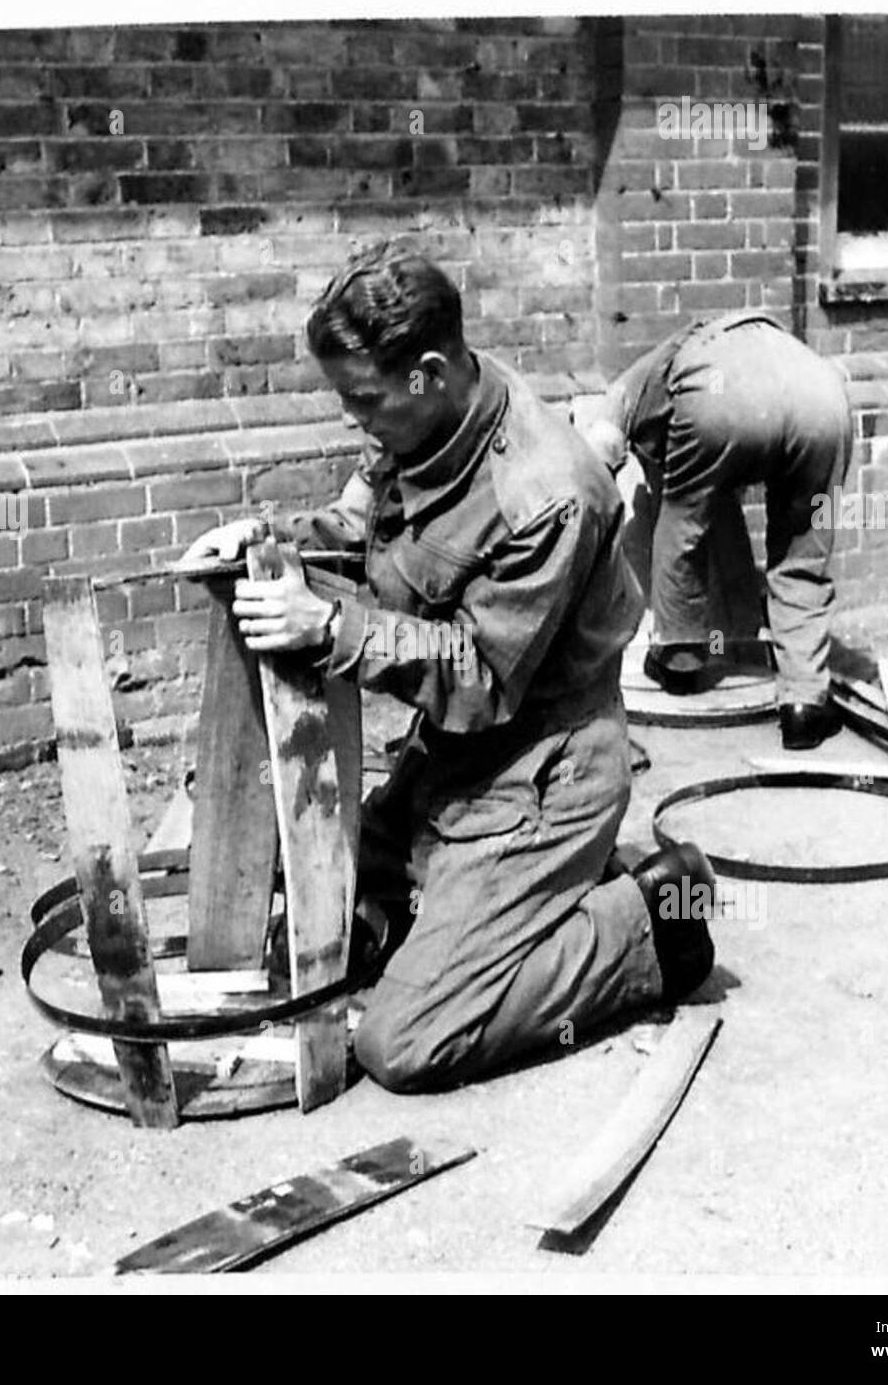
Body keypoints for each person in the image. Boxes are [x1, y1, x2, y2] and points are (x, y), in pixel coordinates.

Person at [180, 240, 716, 1093]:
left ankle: (641, 921)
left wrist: (327, 625)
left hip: (543, 771)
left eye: (362, 399)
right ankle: (475, 912)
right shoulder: (427, 419)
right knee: (321, 925)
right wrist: (268, 541)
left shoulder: (548, 495)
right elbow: (366, 529)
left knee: (402, 1042)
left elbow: (478, 677)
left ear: (428, 370)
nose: (354, 419)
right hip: (453, 761)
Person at [584, 311, 853, 750]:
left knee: (681, 525)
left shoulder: (636, 383)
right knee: (803, 556)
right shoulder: (744, 343)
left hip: (724, 399)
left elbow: (596, 454)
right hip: (825, 397)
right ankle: (804, 705)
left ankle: (681, 661)